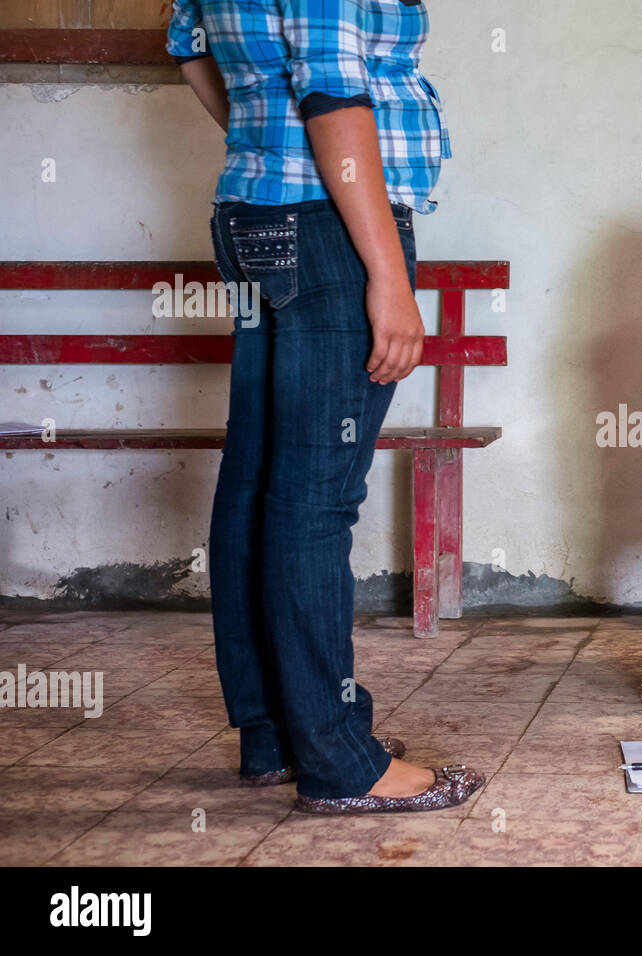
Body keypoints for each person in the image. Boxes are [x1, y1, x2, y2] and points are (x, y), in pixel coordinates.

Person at [167, 0, 482, 812]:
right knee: (314, 501)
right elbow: (333, 93)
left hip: (253, 213)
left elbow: (192, 48)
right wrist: (387, 273)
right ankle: (339, 758)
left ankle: (279, 731)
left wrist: (262, 144)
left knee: (257, 482)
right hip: (329, 229)